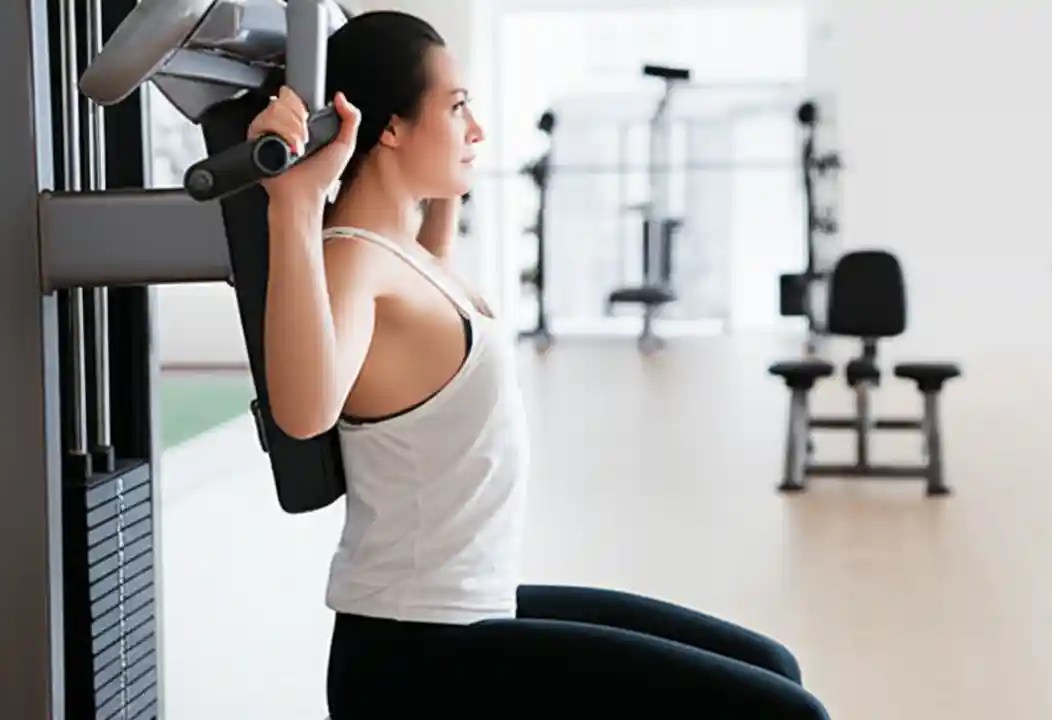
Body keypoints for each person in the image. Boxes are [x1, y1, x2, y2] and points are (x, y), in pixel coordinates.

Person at [249, 10, 832, 719]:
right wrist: (294, 198)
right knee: (789, 715)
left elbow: (432, 298)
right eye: (457, 106)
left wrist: (434, 196)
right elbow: (304, 411)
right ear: (391, 127)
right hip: (416, 656)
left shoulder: (408, 257)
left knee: (774, 668)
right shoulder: (354, 259)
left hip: (468, 613)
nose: (476, 130)